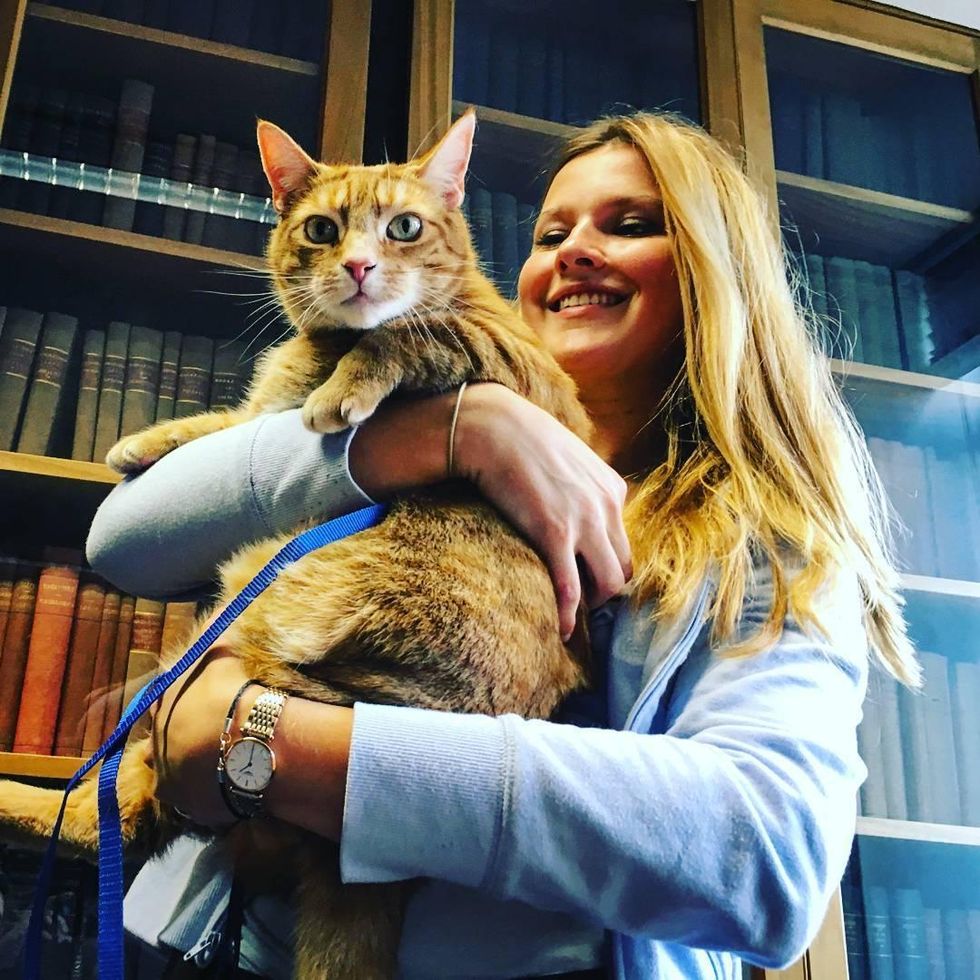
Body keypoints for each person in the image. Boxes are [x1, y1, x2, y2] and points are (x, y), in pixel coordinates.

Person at [86, 111, 919, 980]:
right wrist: (453, 431)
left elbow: (769, 862)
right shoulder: (397, 405)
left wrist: (270, 747)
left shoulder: (771, 543)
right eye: (550, 232)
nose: (574, 250)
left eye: (629, 226)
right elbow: (123, 545)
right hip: (216, 948)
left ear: (721, 274)